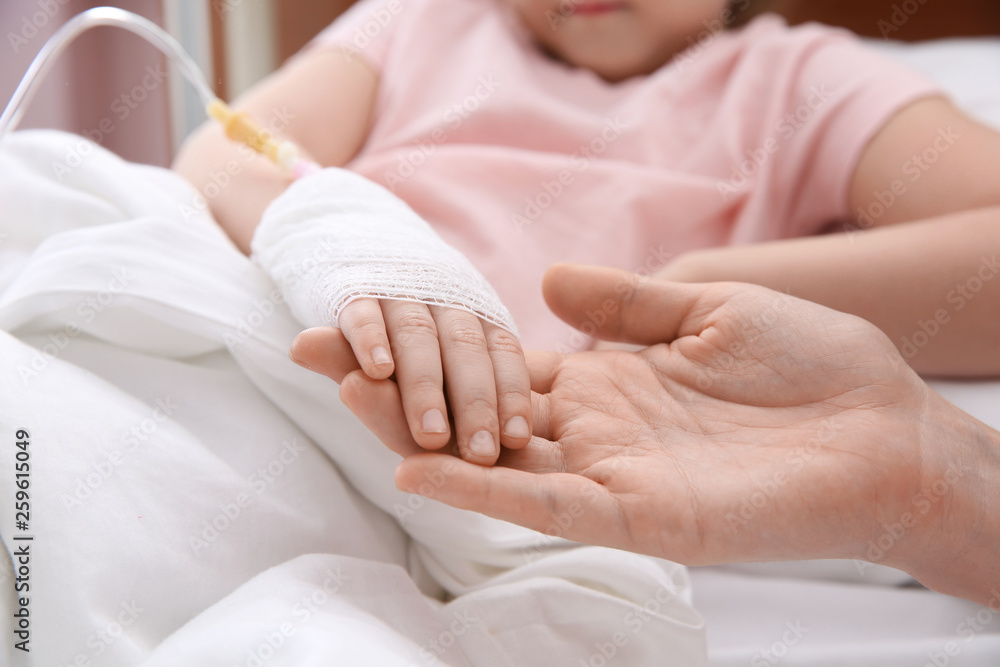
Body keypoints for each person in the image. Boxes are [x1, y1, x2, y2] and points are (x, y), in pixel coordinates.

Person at [174, 0, 1000, 469]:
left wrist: (700, 293)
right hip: (284, 373)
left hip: (498, 455)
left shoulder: (801, 82)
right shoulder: (421, 21)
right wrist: (370, 254)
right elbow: (224, 156)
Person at [293, 263, 1000, 607]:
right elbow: (252, 154)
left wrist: (934, 475)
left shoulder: (794, 75)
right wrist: (382, 258)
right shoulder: (414, 39)